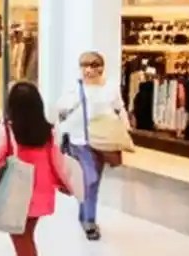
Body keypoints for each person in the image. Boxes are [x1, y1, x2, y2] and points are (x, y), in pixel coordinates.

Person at [0, 82, 74, 256]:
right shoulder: (48, 131)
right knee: (26, 235)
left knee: (21, 239)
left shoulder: (6, 130)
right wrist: (67, 183)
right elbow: (57, 162)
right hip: (42, 192)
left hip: (16, 193)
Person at [56, 51, 128, 241]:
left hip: (103, 140)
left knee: (92, 181)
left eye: (93, 66)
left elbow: (119, 108)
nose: (88, 70)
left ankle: (85, 216)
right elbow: (61, 107)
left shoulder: (110, 88)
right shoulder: (75, 87)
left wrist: (124, 131)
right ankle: (89, 221)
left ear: (101, 68)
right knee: (91, 178)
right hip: (80, 140)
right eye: (84, 66)